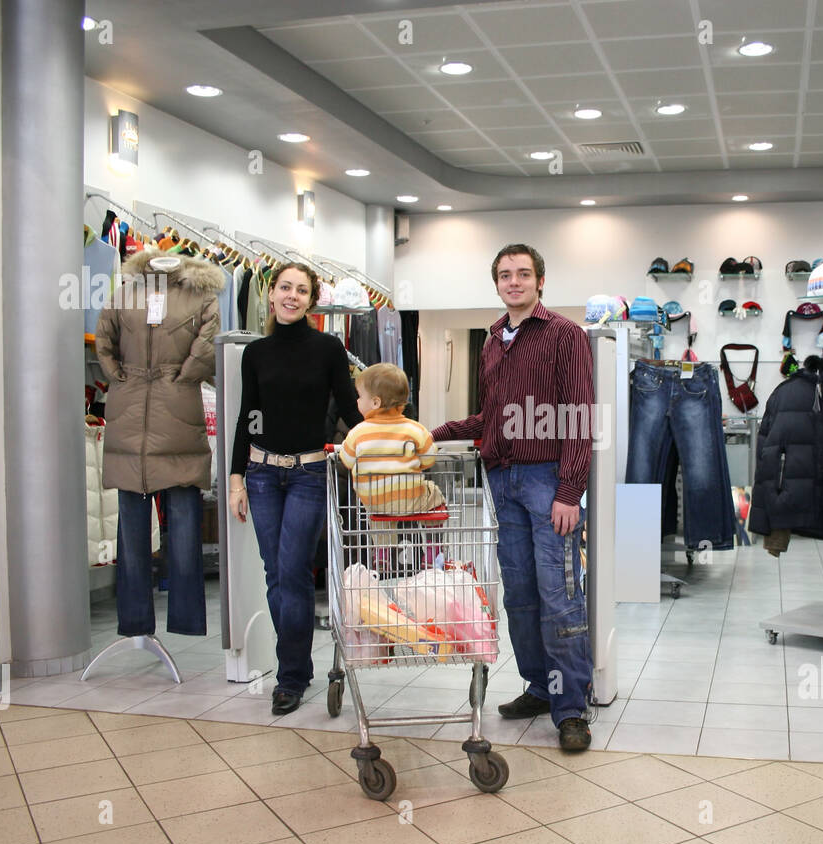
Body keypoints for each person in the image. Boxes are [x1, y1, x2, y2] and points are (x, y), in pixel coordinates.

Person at [431, 244, 596, 751]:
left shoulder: (565, 336)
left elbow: (580, 415)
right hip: (502, 480)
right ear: (497, 283)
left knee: (559, 595)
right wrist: (436, 431)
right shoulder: (491, 342)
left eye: (524, 274)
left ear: (540, 281)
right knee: (519, 596)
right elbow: (493, 418)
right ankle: (538, 687)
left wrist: (570, 491)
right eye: (505, 275)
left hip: (548, 480)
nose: (514, 282)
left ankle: (571, 709)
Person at [229, 262, 362, 715]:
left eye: (301, 290)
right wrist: (235, 478)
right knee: (275, 574)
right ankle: (297, 668)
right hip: (262, 475)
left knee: (293, 571)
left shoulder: (328, 348)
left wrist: (383, 443)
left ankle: (289, 678)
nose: (291, 296)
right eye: (285, 288)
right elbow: (247, 416)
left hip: (308, 474)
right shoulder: (256, 353)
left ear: (311, 300)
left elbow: (348, 408)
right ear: (271, 295)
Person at [96, 250, 221, 639]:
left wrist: (183, 377)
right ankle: (134, 623)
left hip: (177, 409)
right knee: (131, 530)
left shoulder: (201, 294)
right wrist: (118, 375)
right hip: (128, 413)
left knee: (184, 526)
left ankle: (185, 621)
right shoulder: (126, 292)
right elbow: (104, 337)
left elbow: (209, 341)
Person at [338, 363, 445, 547]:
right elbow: (429, 459)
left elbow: (346, 461)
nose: (357, 401)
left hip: (373, 501)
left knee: (378, 517)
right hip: (410, 499)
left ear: (375, 402)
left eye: (360, 396)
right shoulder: (415, 429)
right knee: (435, 494)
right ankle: (433, 545)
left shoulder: (357, 432)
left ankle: (383, 551)